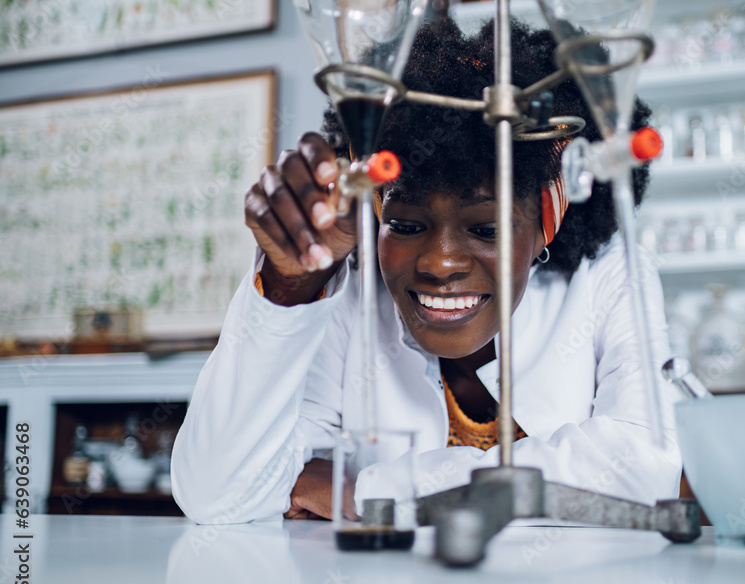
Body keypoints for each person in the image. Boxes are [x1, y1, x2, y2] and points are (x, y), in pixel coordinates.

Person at [171, 17, 681, 524]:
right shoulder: (347, 286)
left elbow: (642, 469)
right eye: (406, 224)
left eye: (488, 230)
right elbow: (218, 491)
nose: (440, 264)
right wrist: (288, 285)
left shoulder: (610, 270)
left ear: (547, 220)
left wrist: (371, 492)